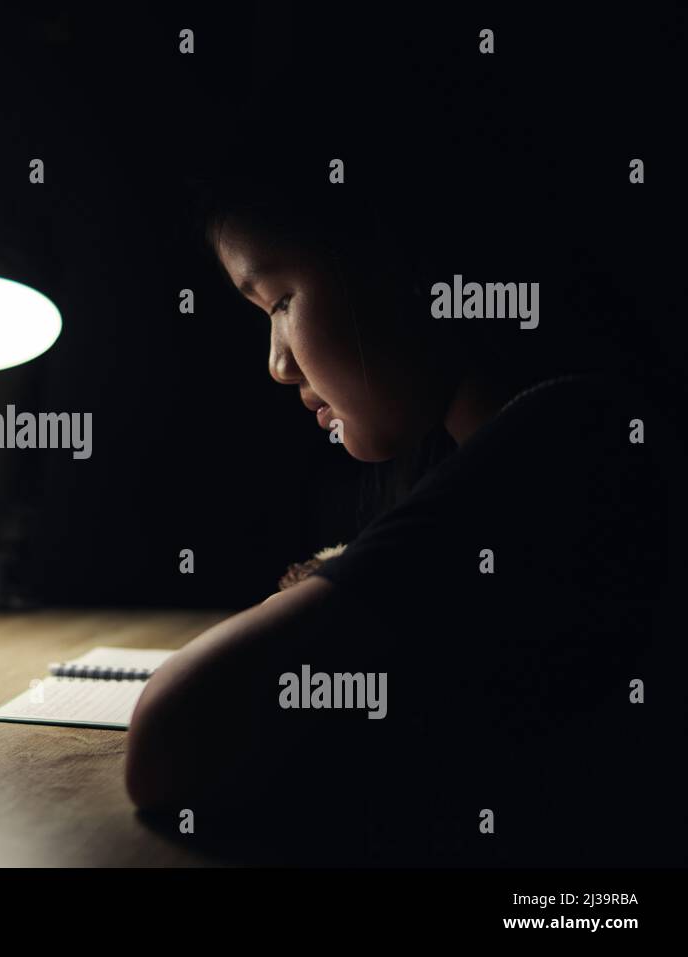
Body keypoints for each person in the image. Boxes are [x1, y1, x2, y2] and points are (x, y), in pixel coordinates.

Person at [124, 163, 687, 866]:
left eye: (280, 300)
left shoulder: (569, 442)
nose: (278, 363)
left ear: (397, 257)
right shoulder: (540, 437)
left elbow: (172, 738)